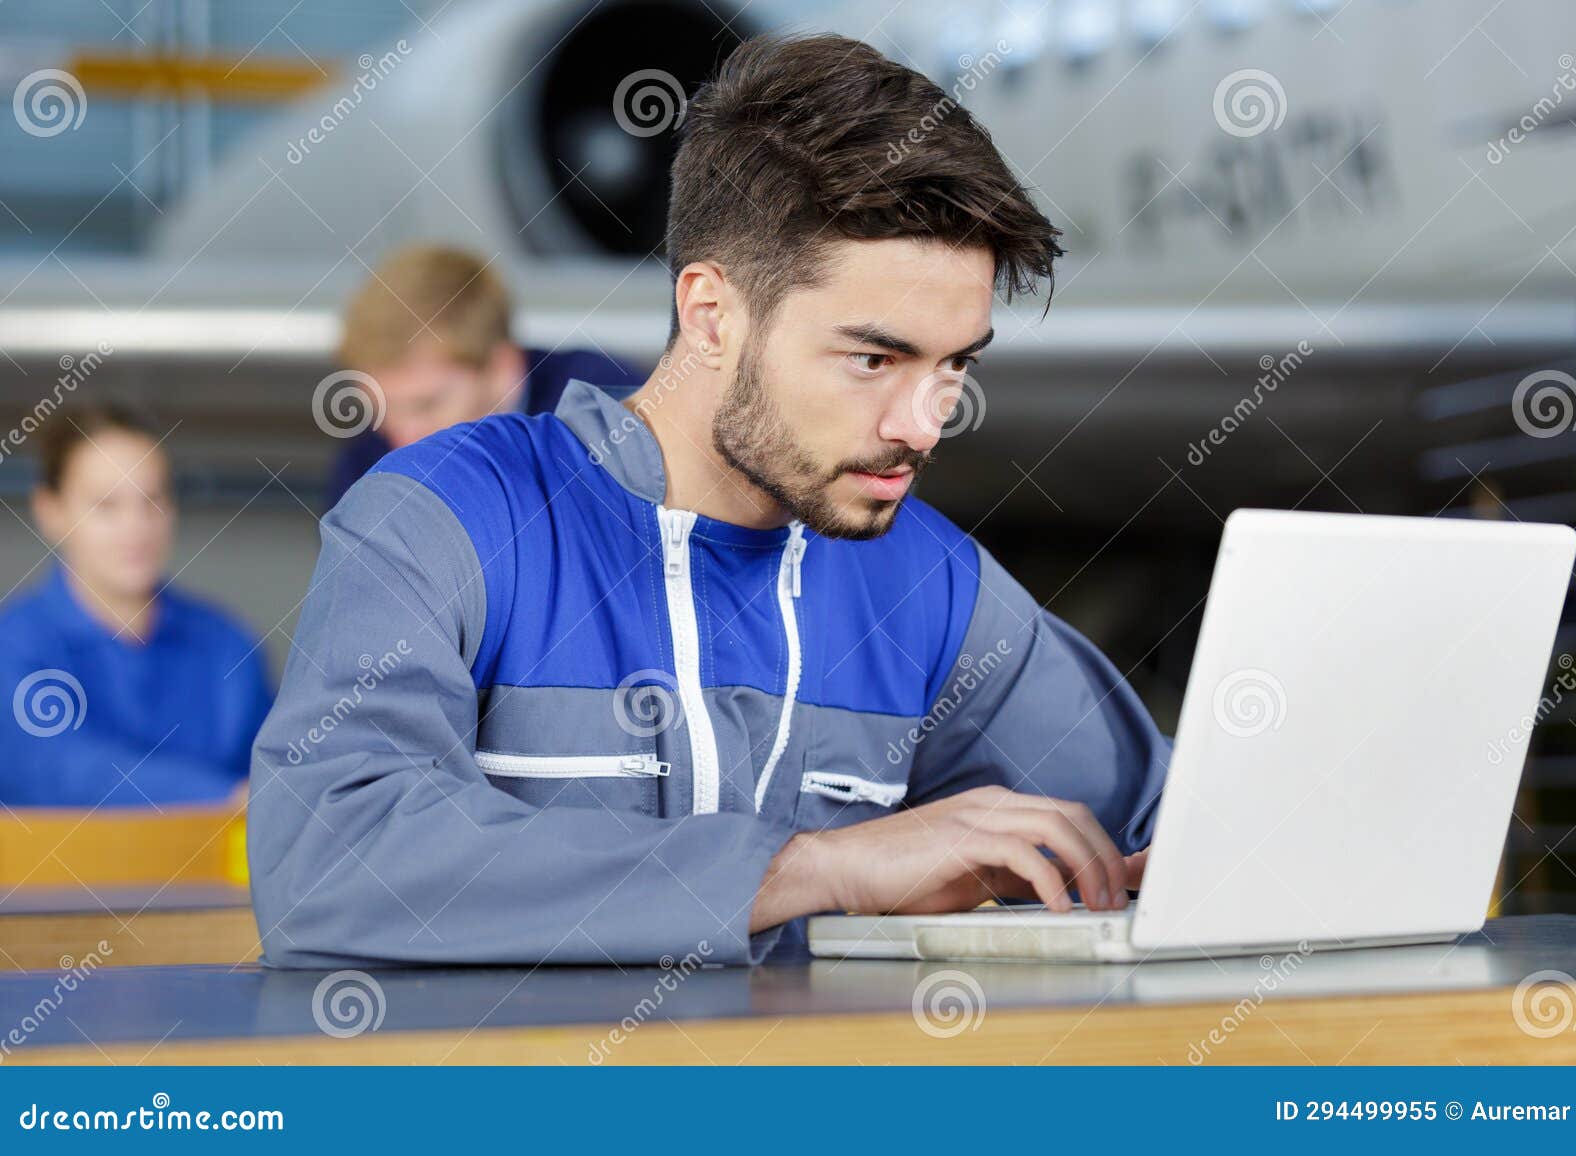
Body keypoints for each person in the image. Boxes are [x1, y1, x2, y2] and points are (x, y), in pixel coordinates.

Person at [249, 33, 1169, 968]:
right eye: (874, 359)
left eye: (954, 365)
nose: (925, 424)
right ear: (711, 314)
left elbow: (1173, 824)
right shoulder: (437, 518)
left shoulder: (928, 582)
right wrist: (817, 869)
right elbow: (327, 858)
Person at [0, 403, 274, 807]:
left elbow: (281, 774)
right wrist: (226, 796)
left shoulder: (227, 645)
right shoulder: (14, 647)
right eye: (106, 505)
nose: (136, 526)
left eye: (152, 500)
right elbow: (59, 773)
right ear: (50, 511)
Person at [323, 244, 644, 509]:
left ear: (502, 370)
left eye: (426, 405)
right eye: (380, 405)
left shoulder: (607, 412)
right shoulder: (367, 461)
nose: (401, 436)